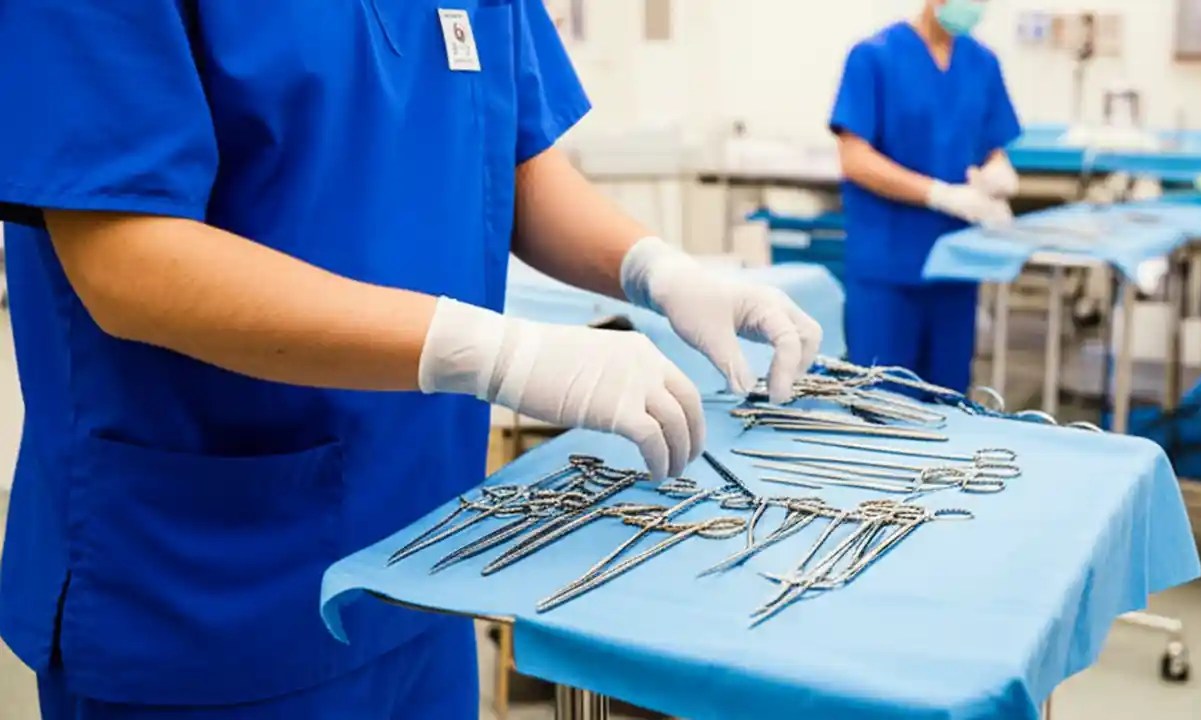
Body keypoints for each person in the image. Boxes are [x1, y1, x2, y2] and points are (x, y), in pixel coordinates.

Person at [0, 2, 821, 718]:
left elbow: (516, 155)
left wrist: (655, 269)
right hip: (207, 587)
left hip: (427, 558)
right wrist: (496, 352)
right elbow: (127, 263)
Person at [830, 0, 1022, 392]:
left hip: (956, 268)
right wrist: (938, 195)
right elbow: (855, 159)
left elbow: (993, 148)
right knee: (882, 406)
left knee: (948, 406)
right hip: (888, 273)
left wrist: (997, 174)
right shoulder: (873, 57)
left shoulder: (982, 62)